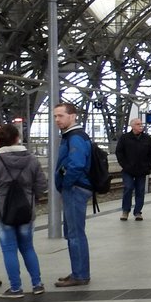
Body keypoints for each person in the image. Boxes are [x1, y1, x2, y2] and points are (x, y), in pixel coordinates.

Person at [0, 123, 47, 297]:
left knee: (8, 249)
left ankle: (16, 288)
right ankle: (37, 284)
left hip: (0, 213)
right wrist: (32, 198)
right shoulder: (31, 159)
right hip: (26, 212)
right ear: (17, 138)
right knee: (28, 247)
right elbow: (42, 185)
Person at [53, 101, 93, 287]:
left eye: (60, 115)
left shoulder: (75, 137)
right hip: (75, 187)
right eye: (55, 116)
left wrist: (66, 184)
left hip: (76, 188)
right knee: (71, 233)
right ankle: (78, 271)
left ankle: (81, 275)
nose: (57, 119)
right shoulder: (71, 136)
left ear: (72, 116)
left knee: (75, 233)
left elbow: (76, 164)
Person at [115, 117, 151, 221]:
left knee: (140, 191)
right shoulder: (125, 138)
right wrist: (124, 165)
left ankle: (138, 212)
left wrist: (149, 166)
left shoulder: (146, 138)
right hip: (128, 169)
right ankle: (125, 211)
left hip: (142, 170)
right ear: (132, 126)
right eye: (138, 124)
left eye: (141, 124)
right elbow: (119, 152)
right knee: (128, 188)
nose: (140, 126)